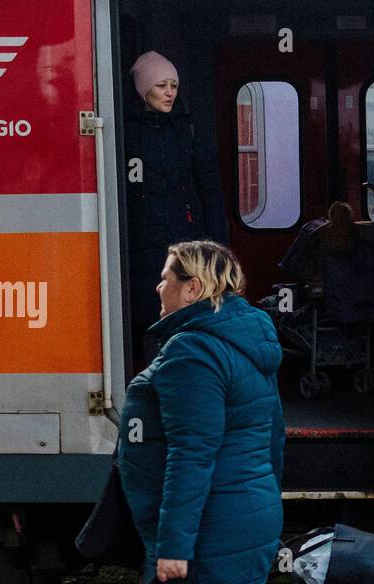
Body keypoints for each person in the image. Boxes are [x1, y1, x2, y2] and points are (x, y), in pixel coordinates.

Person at [118, 240, 285, 584]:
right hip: (241, 511)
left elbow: (192, 454)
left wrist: (174, 545)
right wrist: (261, 502)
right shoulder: (245, 339)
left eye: (166, 277)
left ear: (193, 288)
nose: (158, 287)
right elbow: (273, 438)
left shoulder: (192, 350)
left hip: (211, 523)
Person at [124, 51, 228, 368]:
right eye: (161, 86)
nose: (169, 93)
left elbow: (209, 186)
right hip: (142, 242)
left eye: (174, 85)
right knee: (148, 317)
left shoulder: (188, 129)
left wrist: (217, 243)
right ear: (143, 90)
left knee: (186, 313)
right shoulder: (125, 131)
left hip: (186, 238)